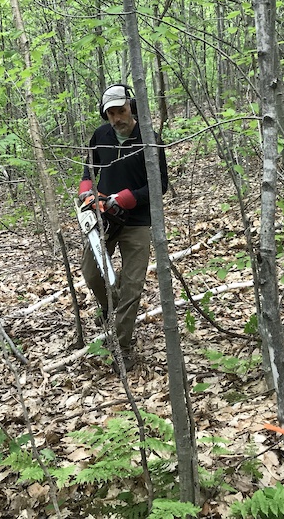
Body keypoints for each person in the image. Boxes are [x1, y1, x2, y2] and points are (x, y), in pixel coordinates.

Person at [78, 84, 168, 370]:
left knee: (132, 286)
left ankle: (123, 347)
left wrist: (128, 199)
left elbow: (160, 185)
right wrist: (86, 191)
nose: (117, 118)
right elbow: (88, 169)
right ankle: (110, 308)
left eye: (121, 111)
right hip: (103, 216)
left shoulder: (149, 139)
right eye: (111, 113)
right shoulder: (101, 135)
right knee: (92, 273)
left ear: (131, 107)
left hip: (138, 220)